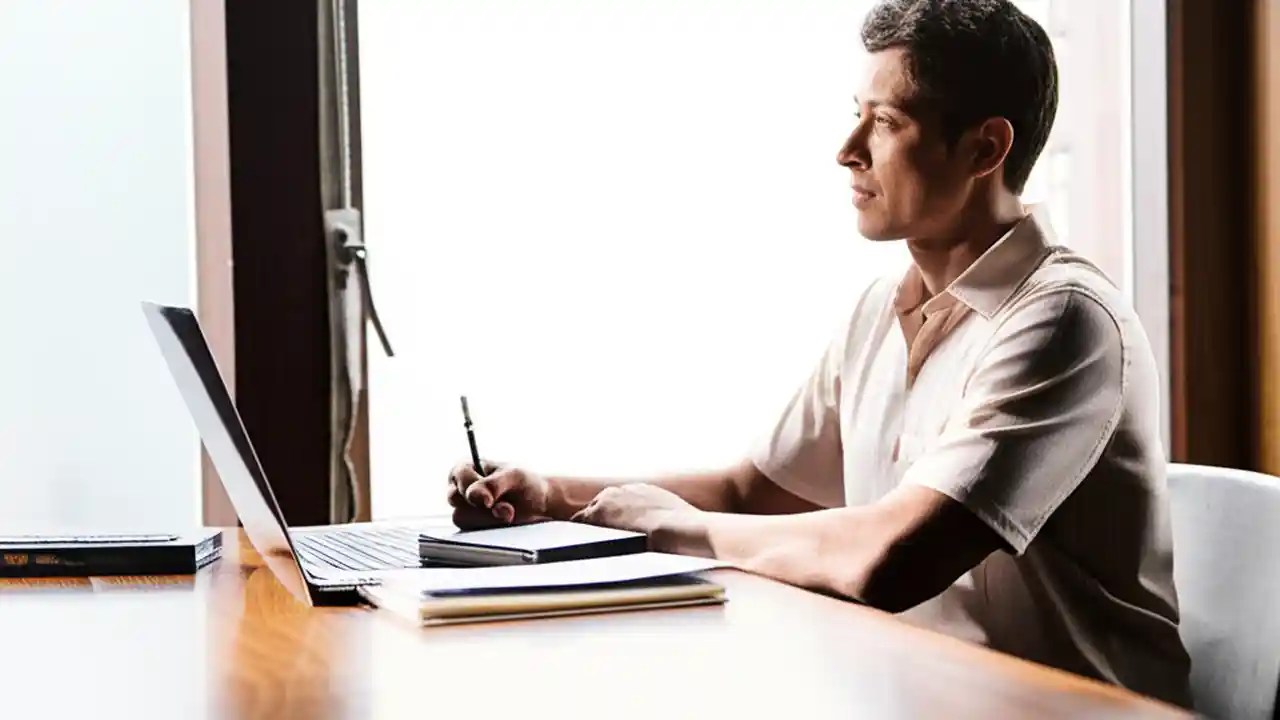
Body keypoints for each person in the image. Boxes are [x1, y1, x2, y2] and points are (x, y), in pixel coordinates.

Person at [445, 0, 1191, 707]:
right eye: (855, 115)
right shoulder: (879, 311)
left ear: (985, 148)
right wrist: (553, 497)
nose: (847, 151)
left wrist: (669, 528)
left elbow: (893, 557)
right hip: (916, 699)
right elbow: (751, 492)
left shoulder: (1062, 320)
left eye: (885, 121)